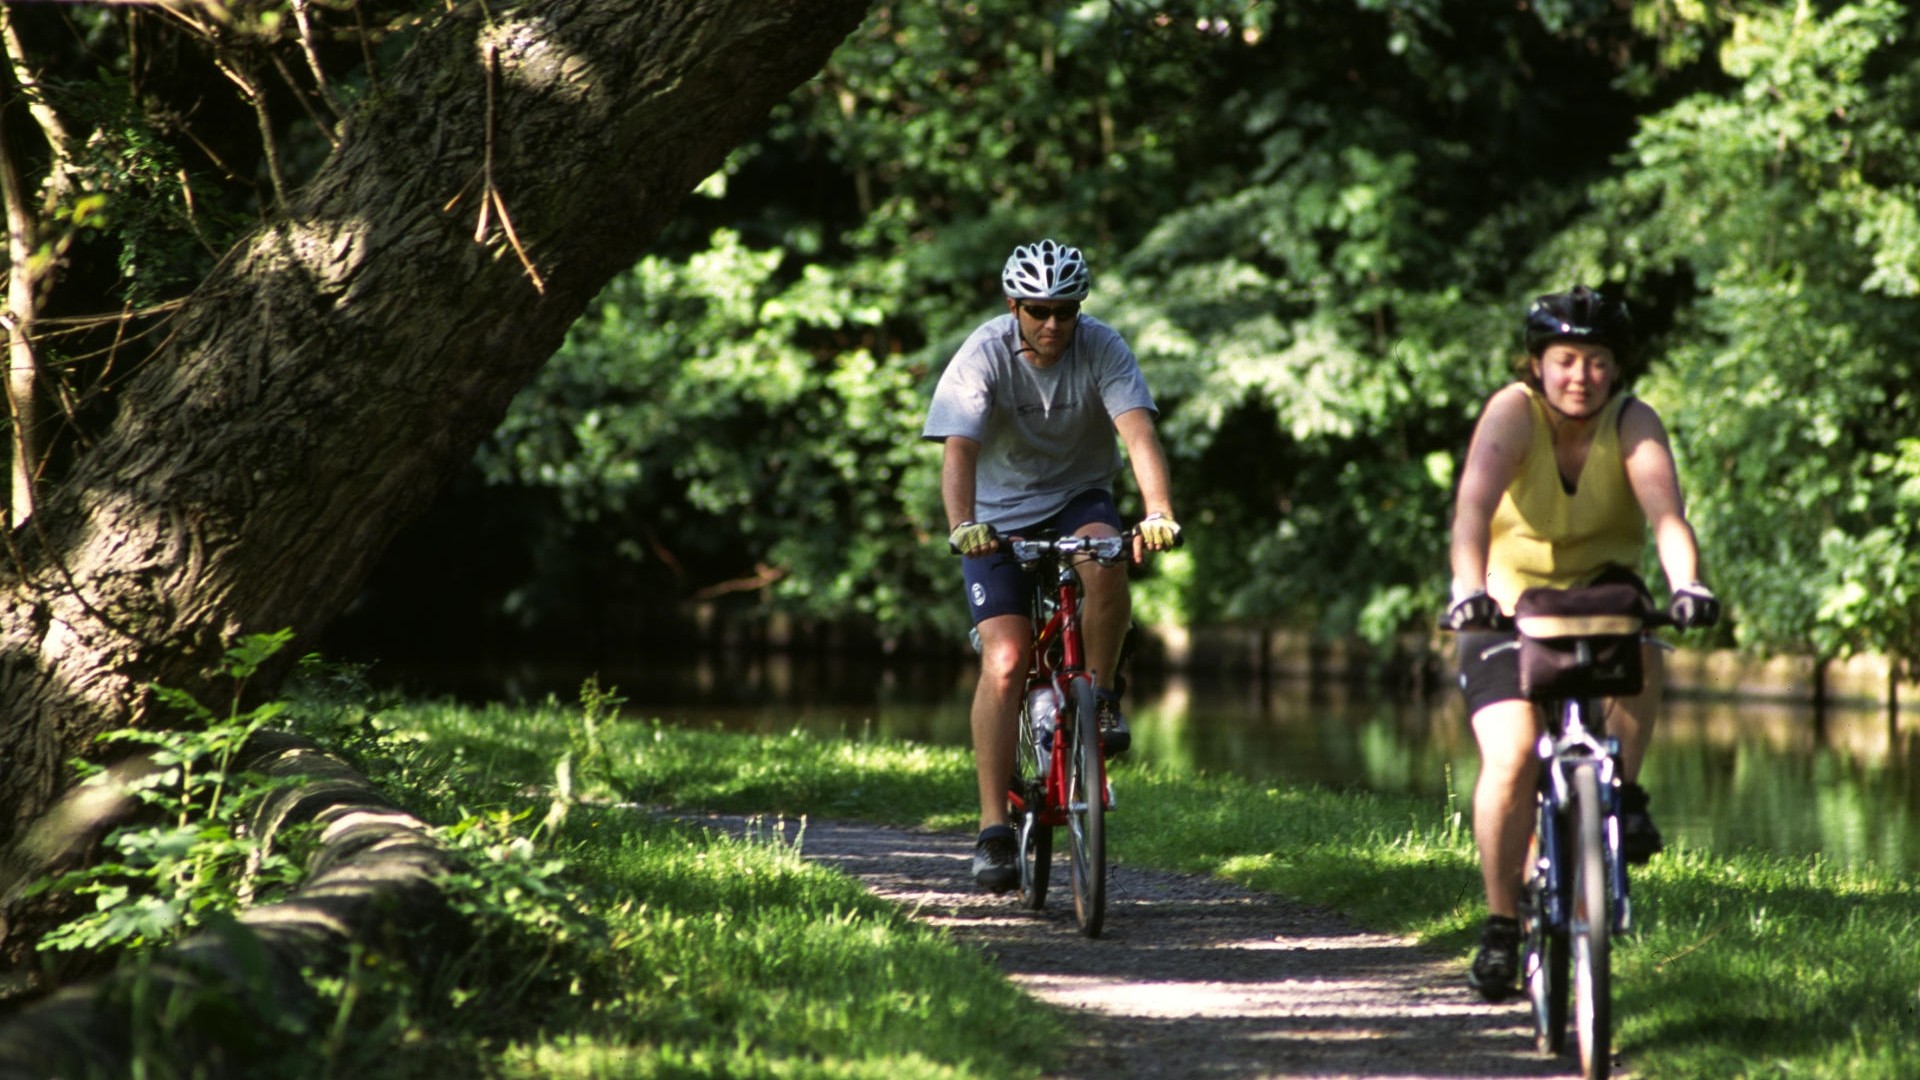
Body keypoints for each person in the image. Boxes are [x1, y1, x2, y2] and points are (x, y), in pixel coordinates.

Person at [1445, 284, 1721, 1001]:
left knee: (1646, 638)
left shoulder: (1634, 423)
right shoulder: (1514, 412)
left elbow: (1666, 516)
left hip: (1600, 606)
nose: (1580, 375)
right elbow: (1473, 505)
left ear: (1617, 367)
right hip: (1508, 610)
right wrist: (1466, 590)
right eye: (1565, 359)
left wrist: (1687, 584)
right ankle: (1503, 925)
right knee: (1510, 757)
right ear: (1537, 364)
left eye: (1597, 360)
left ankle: (1625, 794)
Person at [923, 238, 1181, 892]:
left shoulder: (1102, 347)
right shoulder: (982, 354)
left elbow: (1138, 431)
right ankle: (991, 830)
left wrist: (1156, 511)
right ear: (1015, 306)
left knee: (1109, 558)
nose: (1053, 324)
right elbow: (958, 452)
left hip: (1077, 498)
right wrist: (962, 528)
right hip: (996, 517)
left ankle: (1097, 701)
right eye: (1038, 309)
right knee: (1005, 659)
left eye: (1065, 310)